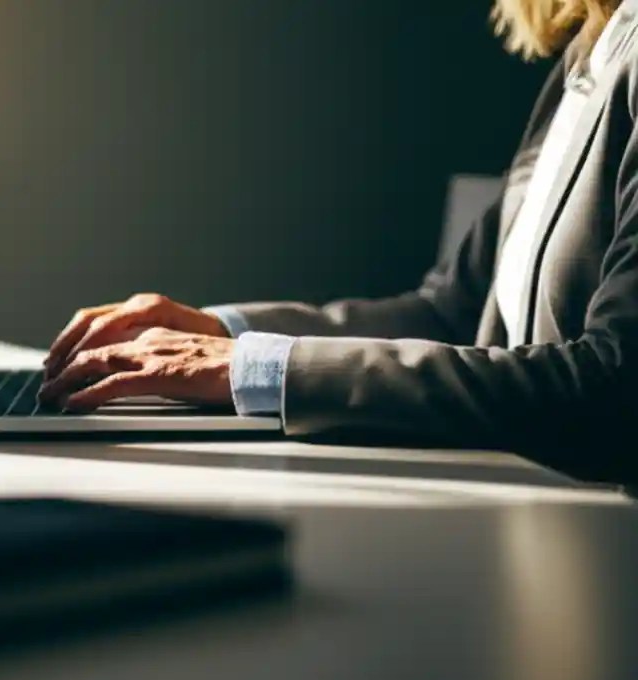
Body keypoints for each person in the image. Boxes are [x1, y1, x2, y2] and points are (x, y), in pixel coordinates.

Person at [40, 0, 638, 483]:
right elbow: (453, 314)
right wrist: (221, 334)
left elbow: (613, 390)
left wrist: (259, 369)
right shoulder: (590, 52)